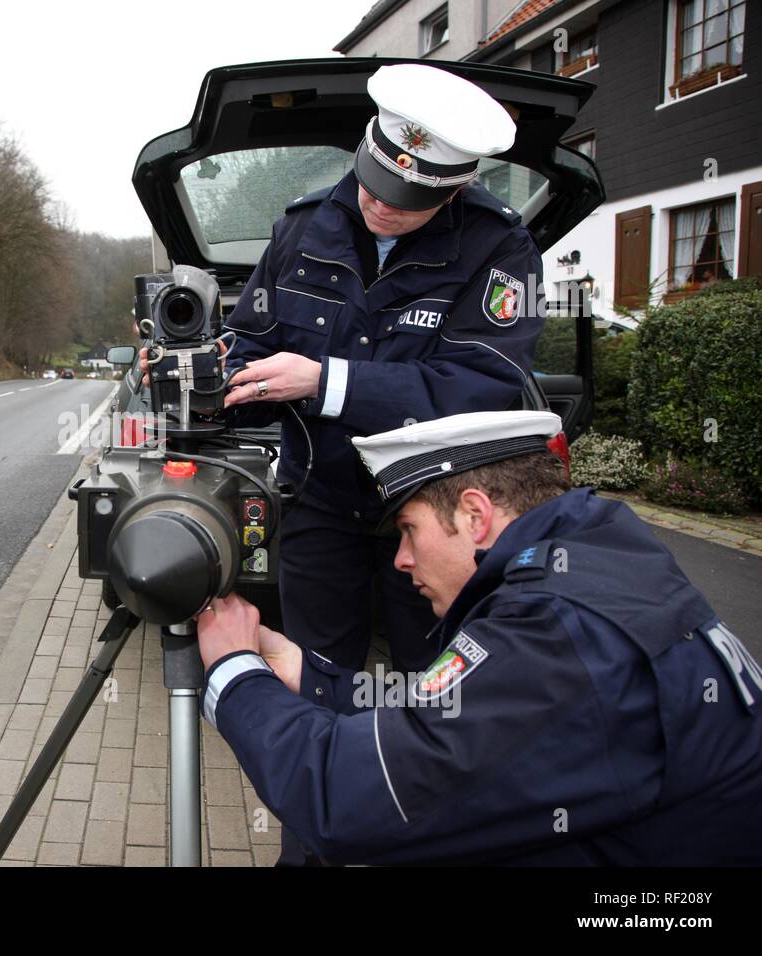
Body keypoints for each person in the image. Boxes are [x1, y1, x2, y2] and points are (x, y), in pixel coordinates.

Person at [195, 410, 762, 865]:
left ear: (475, 515)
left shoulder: (561, 633)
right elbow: (455, 716)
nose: (401, 560)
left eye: (410, 531)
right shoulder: (599, 559)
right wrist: (303, 671)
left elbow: (340, 802)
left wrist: (236, 672)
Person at [219, 63, 542, 678]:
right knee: (314, 671)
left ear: (454, 190)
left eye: (408, 200)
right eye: (373, 183)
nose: (380, 204)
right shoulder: (299, 229)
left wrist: (326, 382)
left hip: (436, 507)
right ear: (367, 150)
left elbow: (482, 387)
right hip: (321, 499)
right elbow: (251, 346)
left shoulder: (498, 247)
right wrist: (220, 378)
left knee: (438, 679)